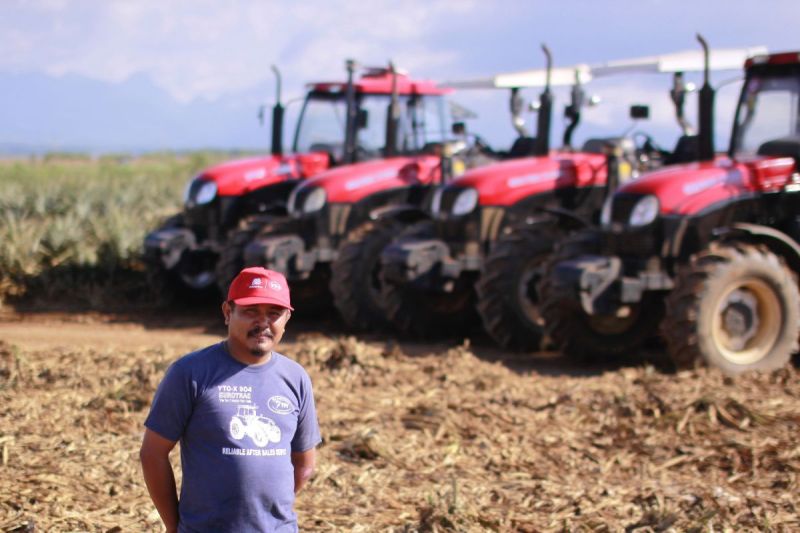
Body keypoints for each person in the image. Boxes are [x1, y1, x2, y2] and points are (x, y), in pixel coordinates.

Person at [140, 267, 321, 532]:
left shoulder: (295, 378)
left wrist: (266, 514)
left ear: (287, 319)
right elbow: (152, 453)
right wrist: (174, 526)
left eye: (274, 313)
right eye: (251, 311)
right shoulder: (190, 373)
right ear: (227, 312)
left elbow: (304, 463)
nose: (263, 323)